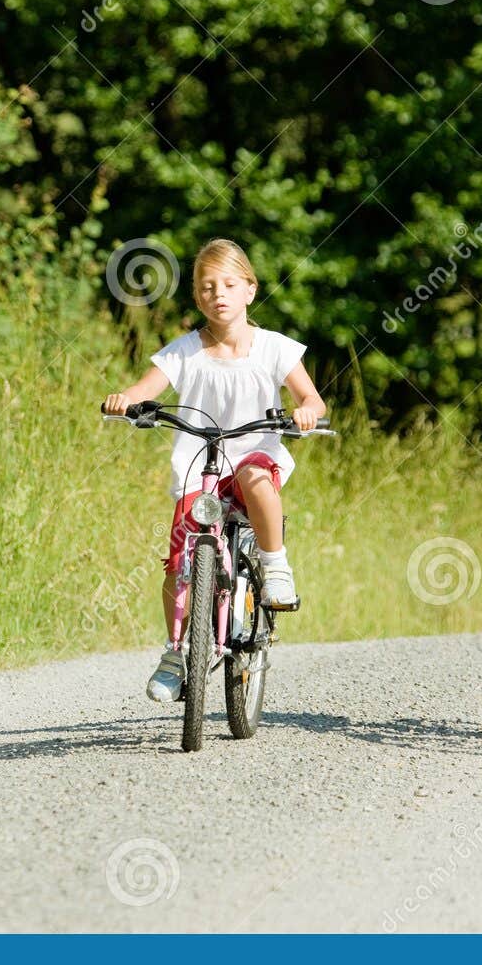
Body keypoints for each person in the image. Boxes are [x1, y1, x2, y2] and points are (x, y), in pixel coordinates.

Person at [103, 238, 326, 702]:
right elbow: (148, 386)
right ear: (197, 297)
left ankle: (275, 564)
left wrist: (305, 410)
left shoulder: (274, 348)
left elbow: (312, 398)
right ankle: (176, 652)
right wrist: (128, 399)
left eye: (228, 284)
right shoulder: (184, 350)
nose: (217, 294)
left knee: (253, 476)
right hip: (199, 465)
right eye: (206, 287)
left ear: (250, 289)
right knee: (178, 559)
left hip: (254, 454)